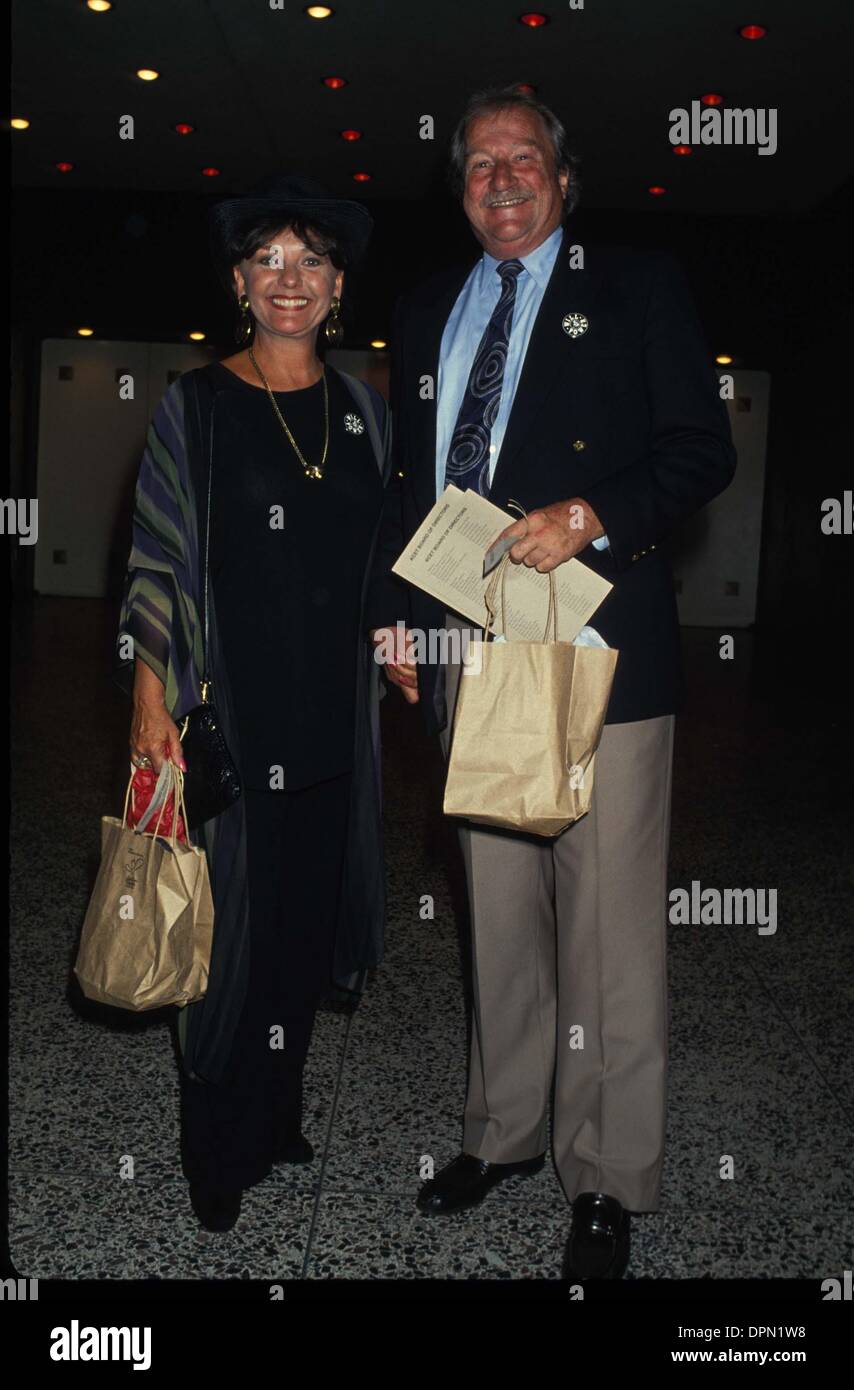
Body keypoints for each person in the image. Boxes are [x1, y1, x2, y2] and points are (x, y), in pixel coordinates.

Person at [368, 87, 737, 1278]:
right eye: (479, 166)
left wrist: (590, 515)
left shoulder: (635, 287)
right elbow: (412, 486)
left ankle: (609, 1172)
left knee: (609, 929)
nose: (503, 182)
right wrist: (396, 615)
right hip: (471, 648)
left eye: (524, 161)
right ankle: (505, 1132)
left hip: (595, 651)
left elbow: (701, 448)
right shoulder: (425, 313)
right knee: (499, 907)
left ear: (564, 180)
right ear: (459, 186)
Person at [116, 175, 390, 1233]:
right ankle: (215, 1142)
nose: (291, 279)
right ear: (239, 281)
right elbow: (157, 562)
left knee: (300, 932)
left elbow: (384, 561)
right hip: (232, 720)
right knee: (227, 942)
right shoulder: (199, 404)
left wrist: (406, 640)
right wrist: (151, 703)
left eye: (311, 262)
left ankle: (277, 1109)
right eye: (269, 260)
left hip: (336, 725)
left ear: (337, 289)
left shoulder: (363, 408)